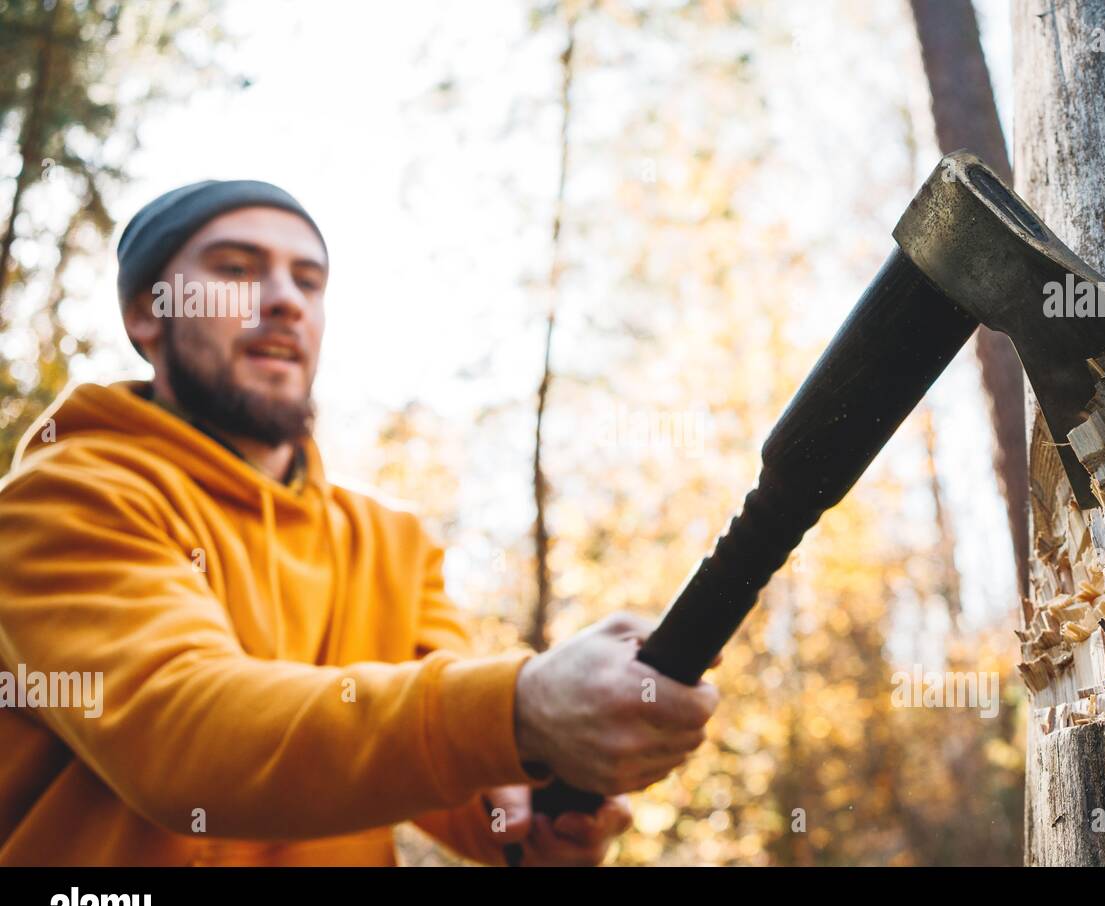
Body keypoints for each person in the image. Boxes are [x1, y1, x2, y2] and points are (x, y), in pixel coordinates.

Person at [0, 180, 719, 866]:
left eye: (308, 281)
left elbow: (458, 762)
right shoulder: (64, 498)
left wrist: (535, 816)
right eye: (236, 269)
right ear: (146, 313)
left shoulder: (390, 541)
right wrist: (522, 707)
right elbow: (183, 735)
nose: (283, 300)